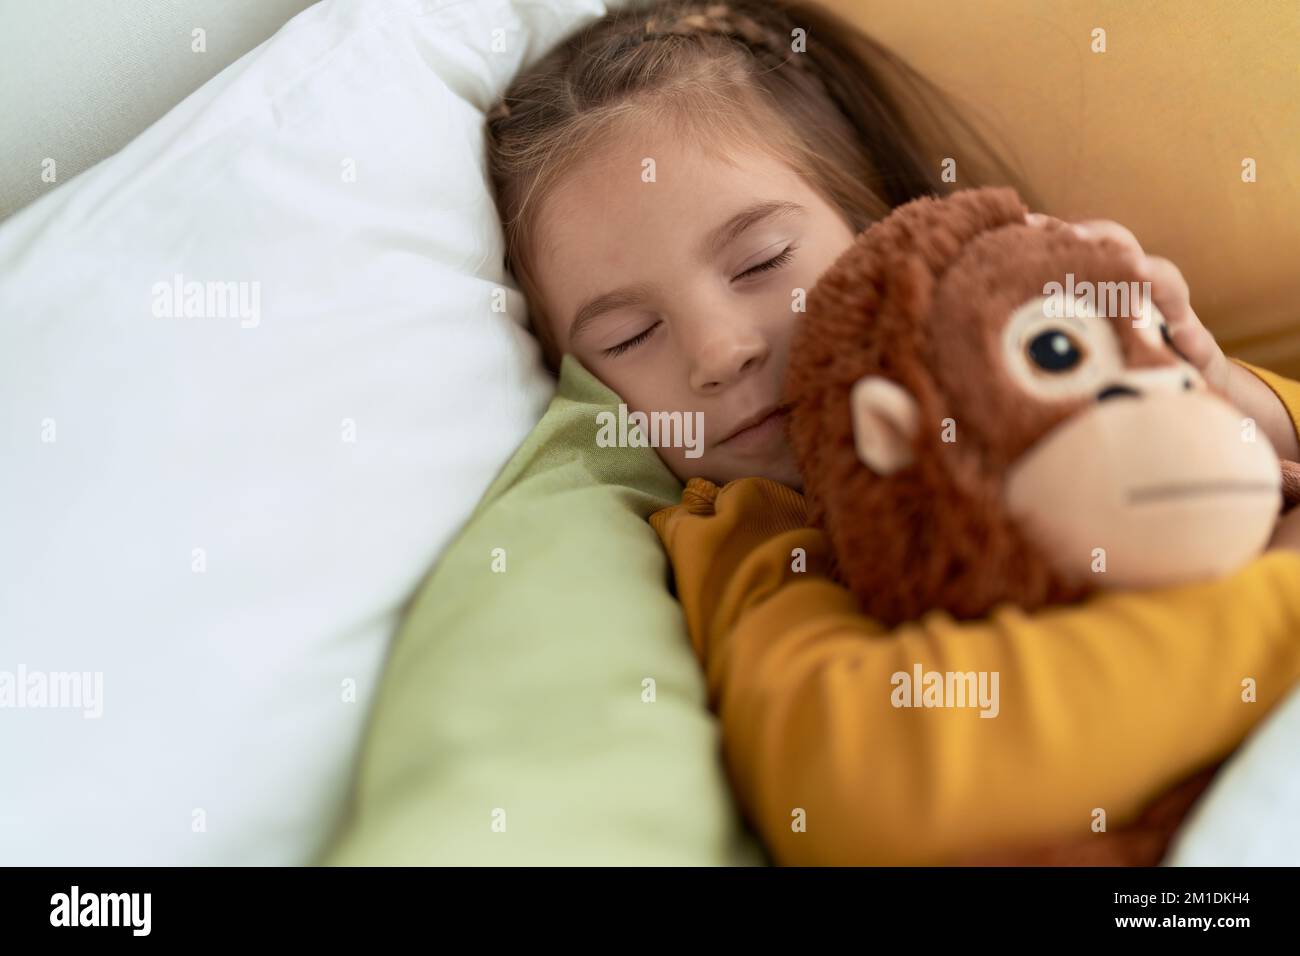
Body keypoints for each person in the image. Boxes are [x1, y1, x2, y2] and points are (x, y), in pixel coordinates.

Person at [487, 0, 1300, 863]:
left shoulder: (1054, 363)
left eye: (762, 260)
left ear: (880, 219)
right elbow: (859, 785)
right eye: (628, 338)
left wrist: (1218, 394)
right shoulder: (752, 534)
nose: (718, 352)